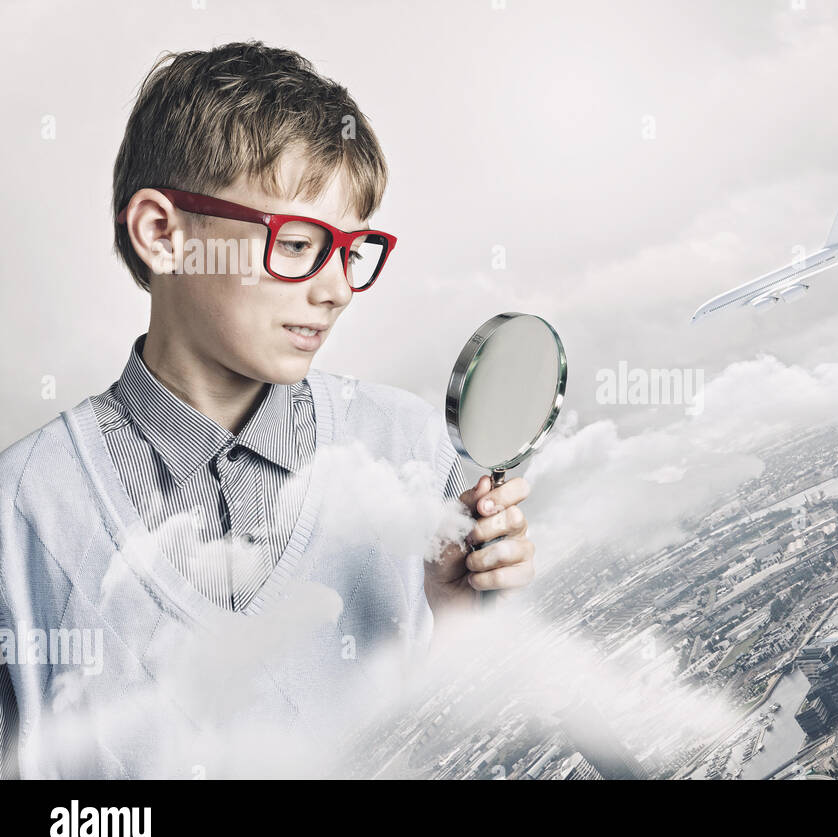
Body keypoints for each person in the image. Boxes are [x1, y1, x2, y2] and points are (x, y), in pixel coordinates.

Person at [0, 41, 534, 778]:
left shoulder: (412, 446)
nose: (338, 288)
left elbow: (459, 740)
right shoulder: (20, 512)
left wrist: (455, 617)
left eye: (351, 249)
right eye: (301, 242)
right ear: (163, 233)